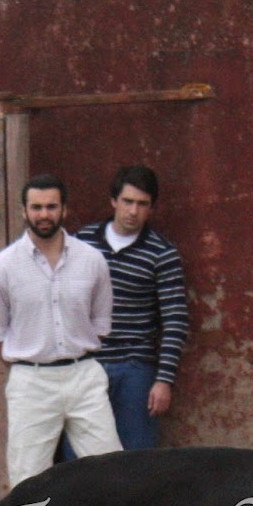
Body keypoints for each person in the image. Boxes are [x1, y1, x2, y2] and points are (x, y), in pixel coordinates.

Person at [0, 173, 123, 486]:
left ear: (64, 210)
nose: (44, 214)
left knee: (111, 468)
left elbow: (100, 323)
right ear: (24, 211)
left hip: (83, 373)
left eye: (51, 206)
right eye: (37, 207)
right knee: (27, 477)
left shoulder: (92, 261)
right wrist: (30, 364)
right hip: (31, 380)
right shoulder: (1, 266)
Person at [73, 165, 189, 450]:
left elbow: (175, 319)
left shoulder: (162, 253)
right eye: (127, 201)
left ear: (151, 208)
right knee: (79, 460)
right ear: (113, 201)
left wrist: (164, 380)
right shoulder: (81, 244)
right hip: (86, 365)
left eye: (142, 204)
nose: (133, 211)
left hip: (135, 368)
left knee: (137, 462)